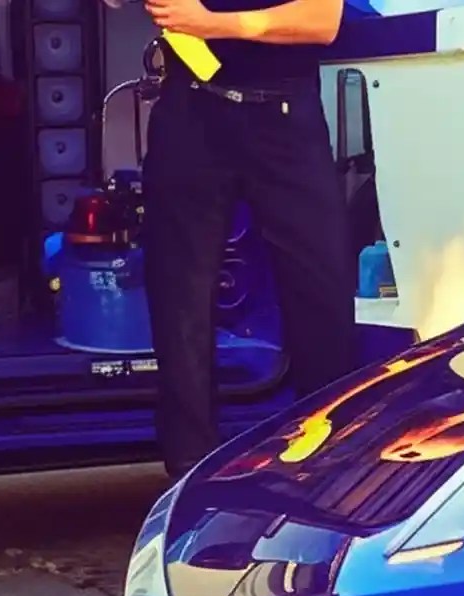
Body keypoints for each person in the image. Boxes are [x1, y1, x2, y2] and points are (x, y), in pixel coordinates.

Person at [137, 0, 358, 481]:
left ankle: (326, 466)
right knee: (180, 300)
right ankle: (188, 477)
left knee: (322, 291)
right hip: (189, 107)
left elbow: (322, 22)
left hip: (283, 113)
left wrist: (213, 24)